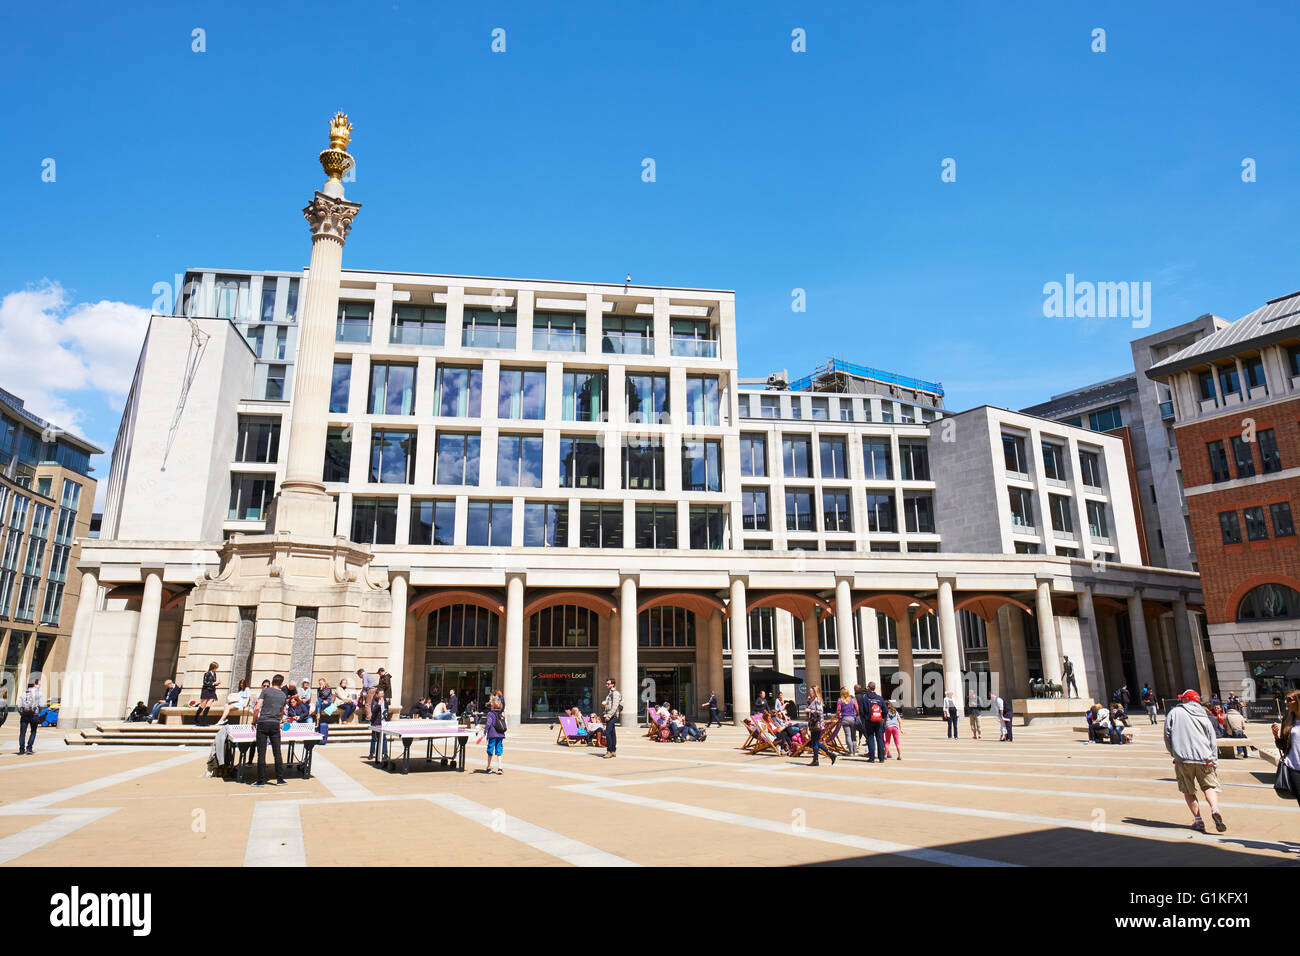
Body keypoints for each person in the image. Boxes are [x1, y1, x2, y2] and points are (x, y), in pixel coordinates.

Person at [1164, 689, 1227, 833]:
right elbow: (1212, 740)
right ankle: (1214, 809)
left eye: (1183, 698)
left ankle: (1198, 820)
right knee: (1209, 787)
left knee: (1188, 790)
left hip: (1183, 759)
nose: (1181, 701)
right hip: (1205, 757)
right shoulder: (1204, 714)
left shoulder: (1174, 712)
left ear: (1187, 700)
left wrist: (1174, 752)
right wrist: (1213, 759)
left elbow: (1167, 734)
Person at [250, 675, 288, 786]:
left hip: (263, 723)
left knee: (261, 753)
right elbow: (282, 711)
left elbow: (257, 707)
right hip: (275, 724)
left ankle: (261, 780)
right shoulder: (283, 695)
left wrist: (253, 721)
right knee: (277, 752)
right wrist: (278, 720)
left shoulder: (265, 692)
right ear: (281, 683)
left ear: (272, 682)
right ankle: (280, 779)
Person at [1271, 690, 1300, 808]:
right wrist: (1276, 735)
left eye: (1289, 699)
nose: (1285, 702)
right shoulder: (1287, 719)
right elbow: (1283, 746)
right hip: (1294, 767)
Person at [805, 686, 835, 766]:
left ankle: (816, 760)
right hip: (814, 724)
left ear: (815, 692)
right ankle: (830, 754)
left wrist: (810, 710)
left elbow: (819, 711)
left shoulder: (817, 700)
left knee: (815, 742)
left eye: (811, 691)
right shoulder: (814, 700)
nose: (810, 693)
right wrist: (808, 702)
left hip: (816, 724)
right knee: (816, 742)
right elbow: (810, 707)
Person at [860, 682, 886, 763]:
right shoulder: (879, 698)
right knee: (880, 739)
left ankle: (872, 758)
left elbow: (861, 710)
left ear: (868, 688)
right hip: (879, 721)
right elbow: (885, 710)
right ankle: (881, 758)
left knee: (870, 738)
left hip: (869, 720)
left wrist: (865, 717)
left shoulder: (864, 698)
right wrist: (882, 717)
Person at [16, 679, 43, 754]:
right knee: (33, 731)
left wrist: (21, 713)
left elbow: (19, 705)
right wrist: (38, 713)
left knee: (22, 733)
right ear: (34, 684)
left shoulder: (24, 693)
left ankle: (21, 750)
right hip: (34, 715)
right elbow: (41, 705)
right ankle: (29, 748)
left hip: (24, 715)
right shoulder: (39, 693)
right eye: (38, 685)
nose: (39, 686)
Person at [484, 693, 505, 774]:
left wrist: (484, 731)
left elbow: (488, 723)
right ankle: (500, 767)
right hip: (500, 734)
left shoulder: (490, 713)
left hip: (492, 734)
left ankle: (489, 767)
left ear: (492, 706)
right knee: (499, 750)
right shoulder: (501, 713)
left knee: (490, 750)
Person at [601, 678, 622, 759]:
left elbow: (615, 705)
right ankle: (613, 751)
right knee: (612, 733)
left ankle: (609, 751)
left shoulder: (615, 693)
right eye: (606, 683)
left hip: (612, 715)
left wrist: (609, 715)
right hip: (610, 714)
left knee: (607, 732)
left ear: (613, 684)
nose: (607, 685)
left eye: (608, 684)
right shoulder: (610, 693)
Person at [368, 688, 389, 762]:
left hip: (383, 721)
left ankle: (385, 753)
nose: (382, 695)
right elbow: (373, 710)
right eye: (380, 694)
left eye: (382, 694)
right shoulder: (374, 701)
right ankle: (371, 753)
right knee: (374, 738)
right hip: (375, 722)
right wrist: (379, 704)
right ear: (377, 695)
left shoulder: (385, 701)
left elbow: (386, 708)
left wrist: (386, 713)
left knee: (384, 738)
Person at [195, 661, 220, 726]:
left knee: (208, 706)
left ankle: (204, 721)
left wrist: (217, 683)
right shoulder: (207, 673)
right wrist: (214, 683)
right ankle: (196, 718)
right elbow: (205, 683)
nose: (216, 669)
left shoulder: (214, 674)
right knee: (202, 705)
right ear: (213, 667)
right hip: (206, 690)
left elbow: (213, 683)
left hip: (212, 691)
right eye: (215, 668)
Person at [836, 688, 859, 755]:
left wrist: (838, 717)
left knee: (848, 736)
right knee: (853, 736)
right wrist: (856, 715)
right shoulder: (852, 700)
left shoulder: (840, 701)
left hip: (844, 718)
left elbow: (838, 711)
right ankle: (855, 752)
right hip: (852, 718)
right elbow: (857, 709)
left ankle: (850, 752)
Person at [313, 678, 334, 744]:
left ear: (325, 682)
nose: (320, 684)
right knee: (318, 703)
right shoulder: (318, 689)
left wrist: (322, 689)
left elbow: (325, 695)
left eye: (321, 683)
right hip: (321, 702)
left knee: (318, 704)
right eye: (320, 683)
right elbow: (318, 697)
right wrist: (322, 700)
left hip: (328, 702)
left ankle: (317, 717)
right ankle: (318, 716)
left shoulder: (328, 688)